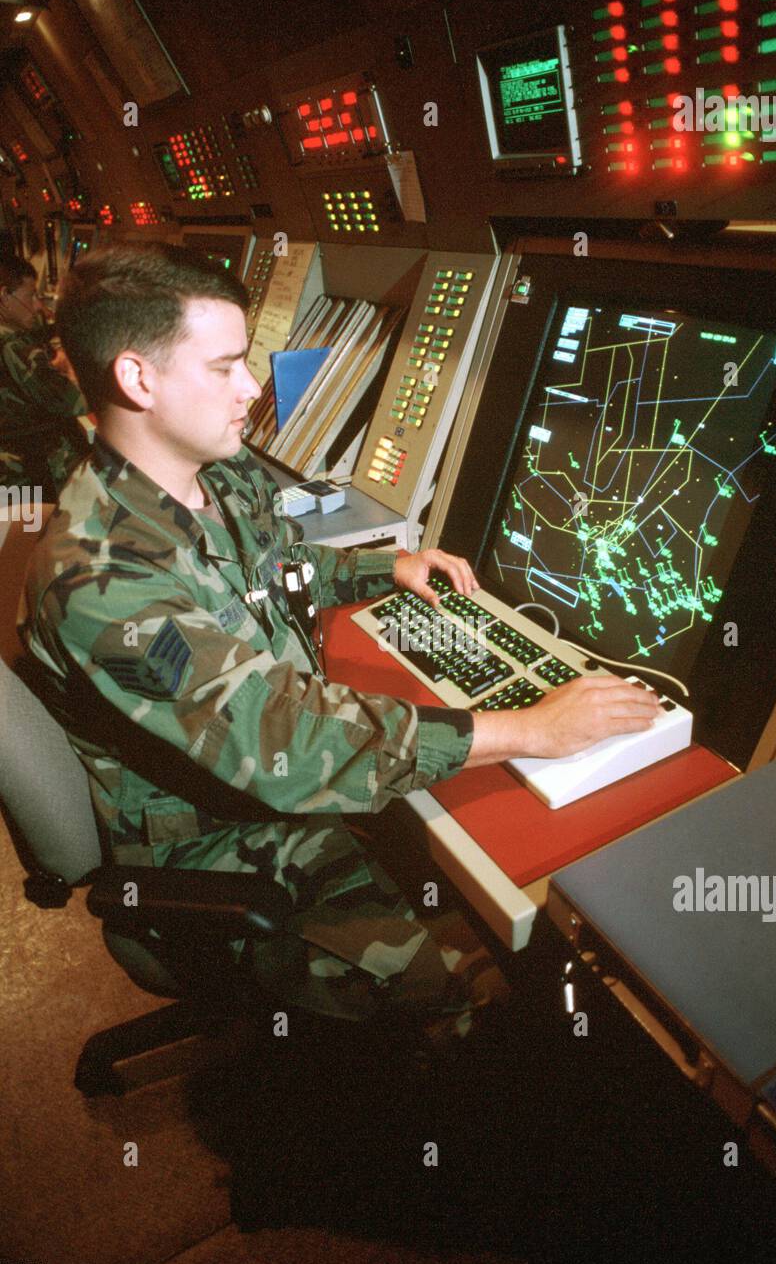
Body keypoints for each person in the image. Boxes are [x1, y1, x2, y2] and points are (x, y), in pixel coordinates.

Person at [17, 242, 661, 1046]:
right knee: (488, 977)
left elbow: (273, 565)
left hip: (259, 775)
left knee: (458, 856)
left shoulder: (213, 474)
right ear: (137, 378)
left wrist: (380, 568)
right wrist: (530, 730)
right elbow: (283, 746)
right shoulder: (102, 576)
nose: (251, 390)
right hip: (213, 838)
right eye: (223, 368)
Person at [0, 254, 89, 501]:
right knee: (30, 534)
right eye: (31, 296)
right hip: (24, 474)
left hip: (11, 468)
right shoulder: (12, 346)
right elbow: (75, 403)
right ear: (5, 296)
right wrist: (71, 370)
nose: (38, 304)